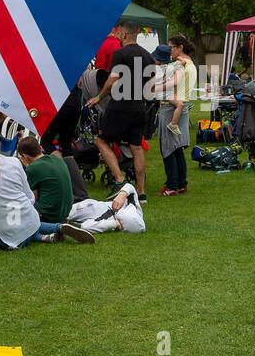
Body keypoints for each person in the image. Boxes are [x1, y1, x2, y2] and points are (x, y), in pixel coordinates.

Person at [0, 125, 93, 254]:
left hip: (7, 238)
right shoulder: (14, 161)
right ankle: (54, 229)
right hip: (29, 223)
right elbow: (30, 197)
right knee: (20, 221)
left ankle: (47, 233)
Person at [87, 22, 154, 199]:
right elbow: (151, 87)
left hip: (120, 106)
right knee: (137, 148)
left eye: (118, 34)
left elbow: (111, 80)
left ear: (124, 34)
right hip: (139, 107)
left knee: (101, 141)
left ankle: (119, 180)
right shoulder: (148, 56)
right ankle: (141, 191)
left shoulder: (120, 53)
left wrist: (99, 97)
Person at [154, 34, 198, 196]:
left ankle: (172, 185)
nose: (169, 50)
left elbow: (171, 83)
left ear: (180, 47)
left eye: (171, 47)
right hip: (181, 106)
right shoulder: (189, 64)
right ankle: (180, 183)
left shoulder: (180, 65)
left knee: (168, 148)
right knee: (177, 148)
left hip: (171, 107)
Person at [17, 137, 74, 223]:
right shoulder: (57, 159)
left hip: (49, 214)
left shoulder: (33, 168)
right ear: (40, 148)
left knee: (15, 208)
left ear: (24, 156)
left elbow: (32, 198)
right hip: (65, 212)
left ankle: (47, 230)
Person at [66, 181, 146, 234]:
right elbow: (130, 187)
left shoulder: (109, 219)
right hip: (83, 198)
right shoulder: (135, 210)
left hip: (72, 208)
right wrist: (122, 194)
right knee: (68, 162)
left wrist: (114, 224)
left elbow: (86, 226)